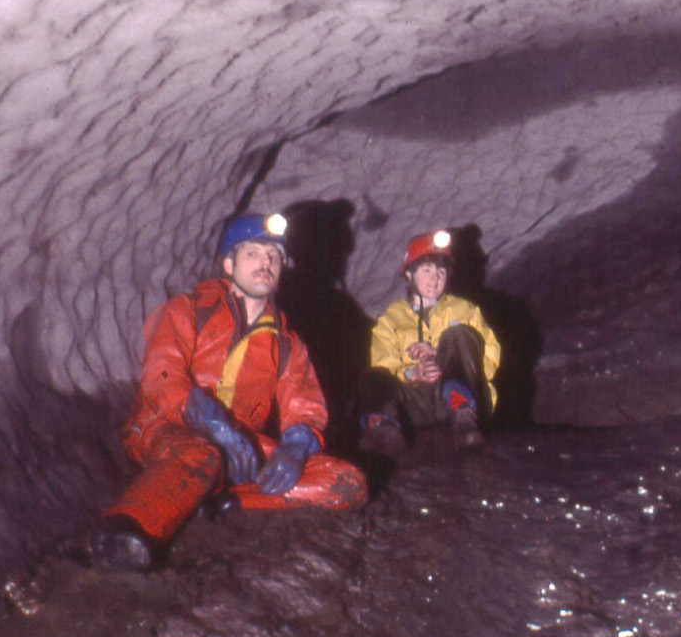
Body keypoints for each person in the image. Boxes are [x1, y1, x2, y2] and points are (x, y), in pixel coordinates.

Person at [88, 212, 368, 571]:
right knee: (203, 455)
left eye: (274, 257)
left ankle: (227, 499)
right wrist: (210, 420)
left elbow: (305, 404)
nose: (265, 263)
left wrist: (296, 447)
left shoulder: (287, 345)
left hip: (240, 442)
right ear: (228, 263)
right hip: (166, 426)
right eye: (253, 253)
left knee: (345, 482)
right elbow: (163, 375)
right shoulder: (187, 310)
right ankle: (125, 529)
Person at [359, 228, 501, 450]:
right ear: (409, 274)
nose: (434, 279)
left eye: (441, 273)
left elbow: (491, 359)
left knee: (458, 334)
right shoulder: (391, 318)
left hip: (463, 404)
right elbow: (381, 360)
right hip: (417, 403)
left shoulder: (464, 310)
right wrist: (411, 372)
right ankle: (382, 428)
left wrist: (442, 357)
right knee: (373, 376)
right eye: (426, 270)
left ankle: (461, 409)